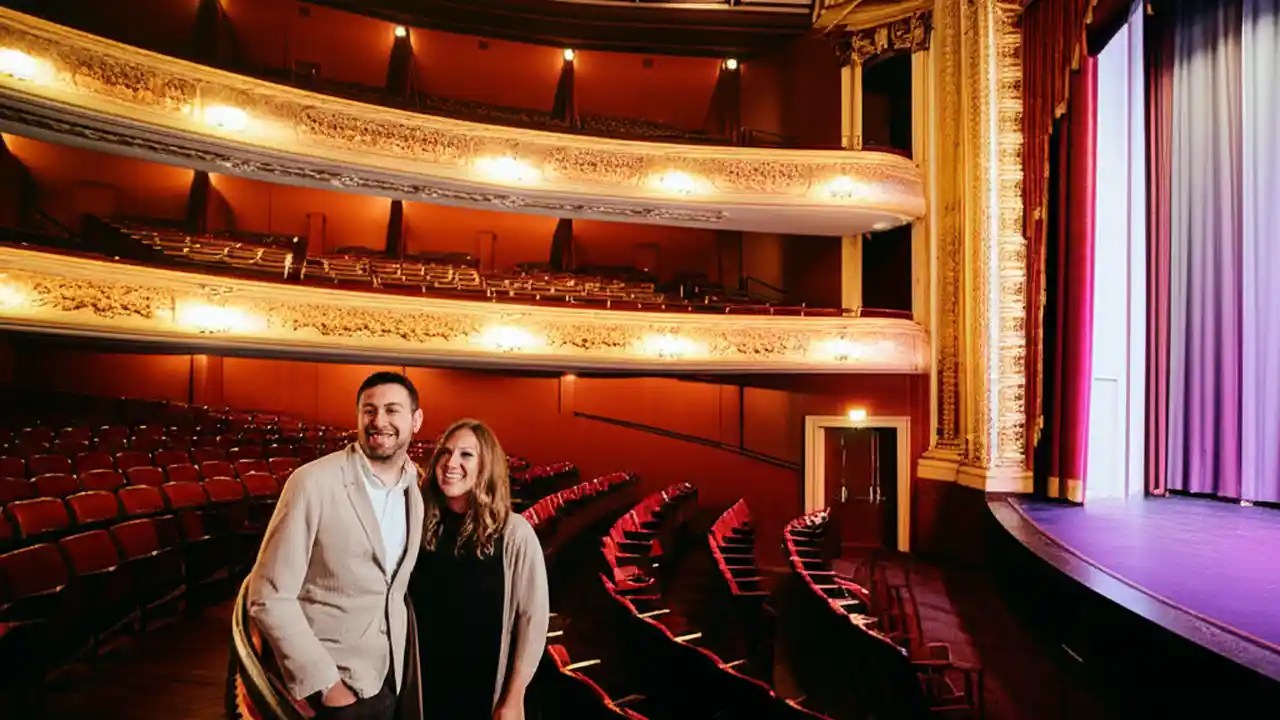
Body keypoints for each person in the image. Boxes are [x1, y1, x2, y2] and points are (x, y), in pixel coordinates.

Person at [247, 371, 426, 720]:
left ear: (416, 420)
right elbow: (267, 595)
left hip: (392, 679)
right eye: (369, 410)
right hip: (337, 687)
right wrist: (326, 685)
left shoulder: (416, 487)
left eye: (393, 410)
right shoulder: (313, 482)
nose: (379, 421)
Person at [406, 419, 550, 720]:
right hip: (426, 685)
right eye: (445, 453)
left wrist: (514, 697)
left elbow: (532, 620)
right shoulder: (419, 523)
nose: (451, 463)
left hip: (482, 690)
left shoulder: (514, 534)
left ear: (487, 466)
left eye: (466, 455)